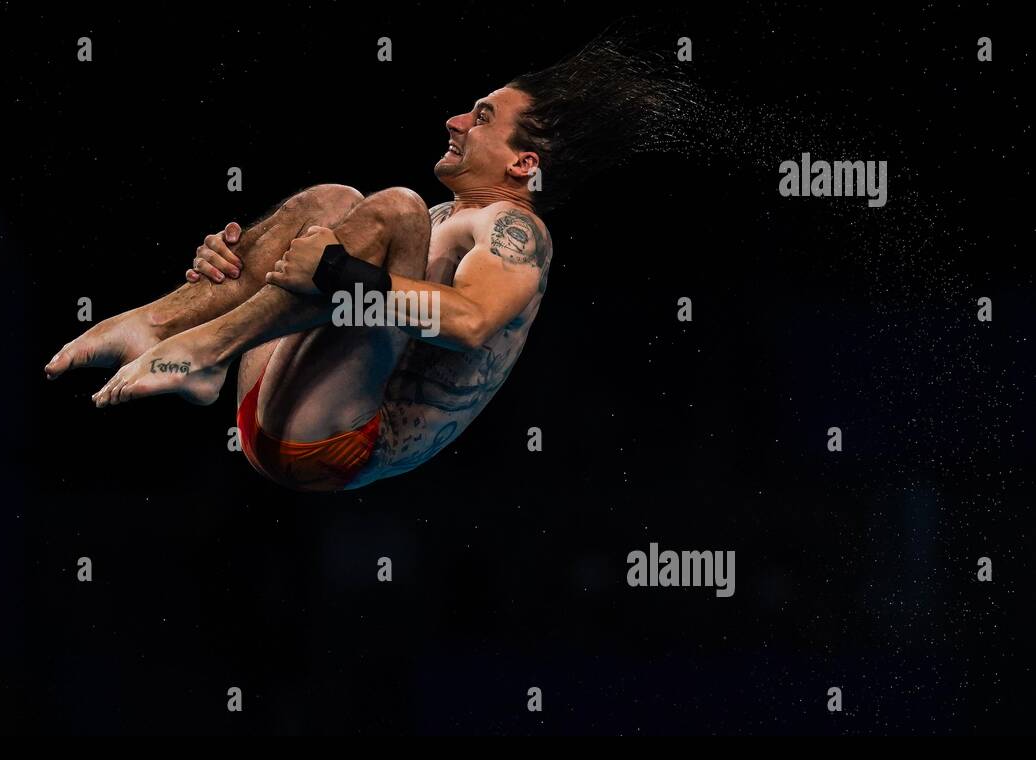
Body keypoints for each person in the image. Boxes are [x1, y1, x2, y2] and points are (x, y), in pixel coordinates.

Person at [45, 36, 679, 491]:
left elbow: (473, 322)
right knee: (333, 202)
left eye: (481, 118)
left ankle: (203, 351)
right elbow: (324, 277)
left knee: (392, 208)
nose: (455, 121)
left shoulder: (516, 229)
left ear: (522, 163)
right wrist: (232, 265)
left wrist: (336, 273)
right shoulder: (447, 218)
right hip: (277, 402)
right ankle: (160, 327)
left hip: (339, 440)